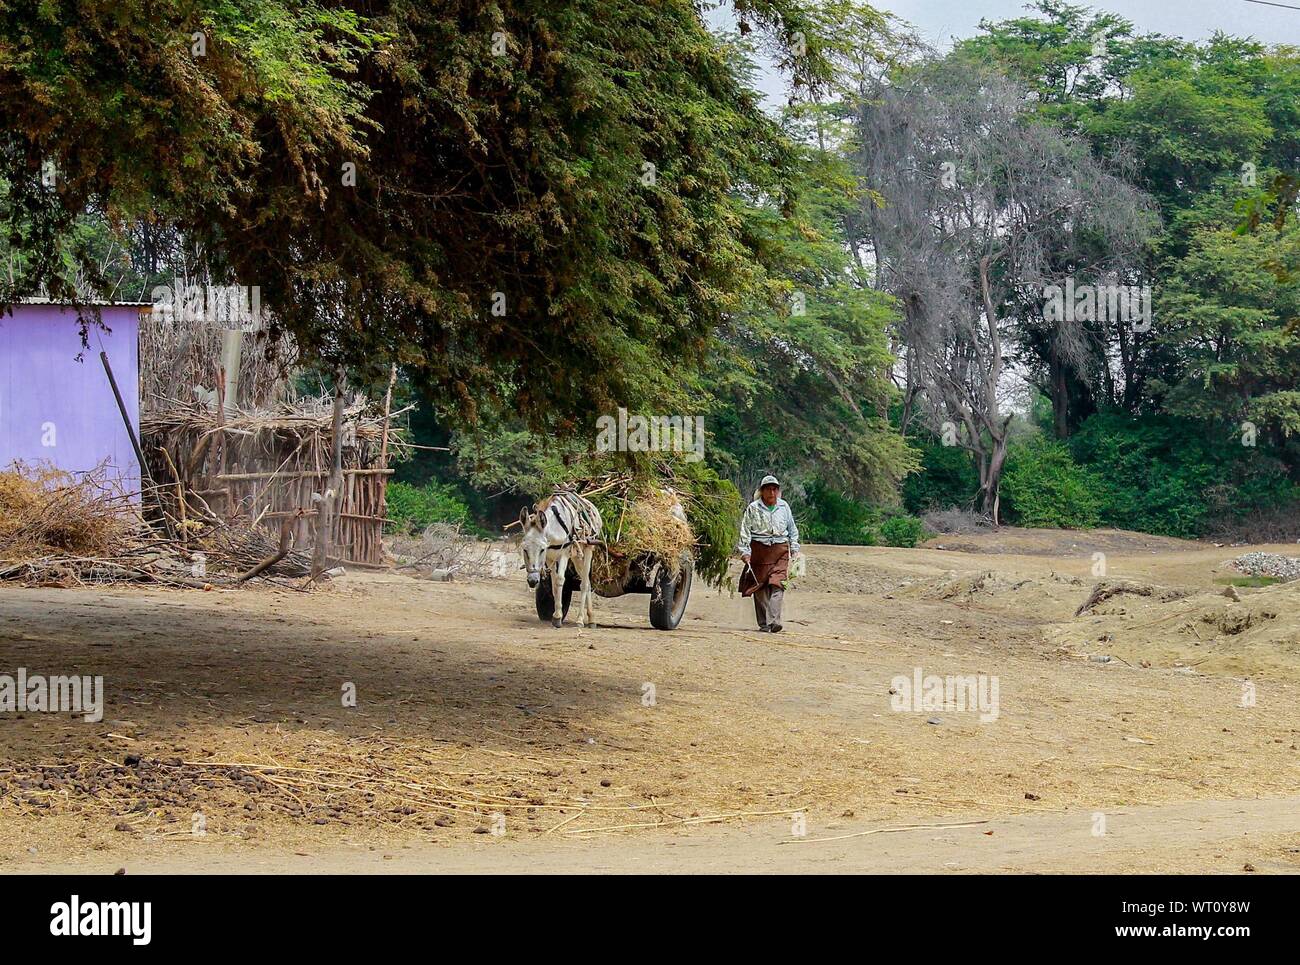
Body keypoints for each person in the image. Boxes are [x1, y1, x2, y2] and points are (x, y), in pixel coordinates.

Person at [736, 474, 800, 633]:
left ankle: (774, 621)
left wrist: (794, 548)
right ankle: (764, 623)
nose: (771, 493)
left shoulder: (784, 507)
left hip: (780, 550)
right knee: (760, 586)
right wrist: (745, 552)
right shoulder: (753, 508)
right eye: (768, 489)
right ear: (762, 491)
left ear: (778, 491)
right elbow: (745, 531)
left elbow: (792, 530)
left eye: (774, 489)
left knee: (778, 584)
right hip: (759, 550)